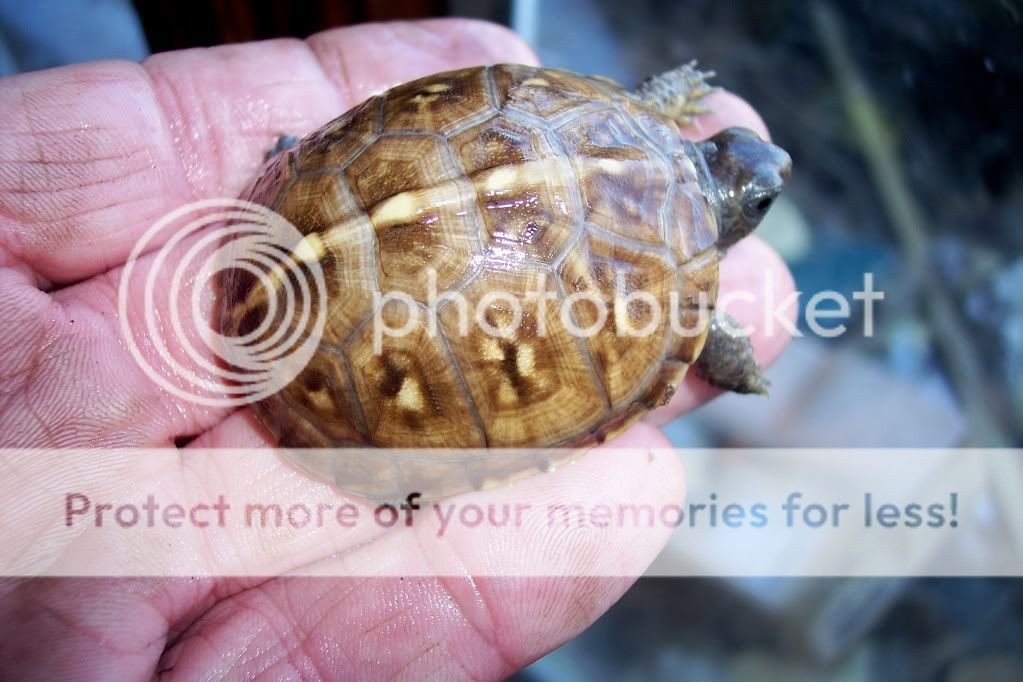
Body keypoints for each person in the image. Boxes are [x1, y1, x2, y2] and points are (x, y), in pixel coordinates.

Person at [0, 19, 794, 678]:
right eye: (757, 186)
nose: (772, 171)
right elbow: (694, 334)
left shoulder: (613, 112)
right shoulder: (684, 297)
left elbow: (640, 116)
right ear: (737, 213)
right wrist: (731, 362)